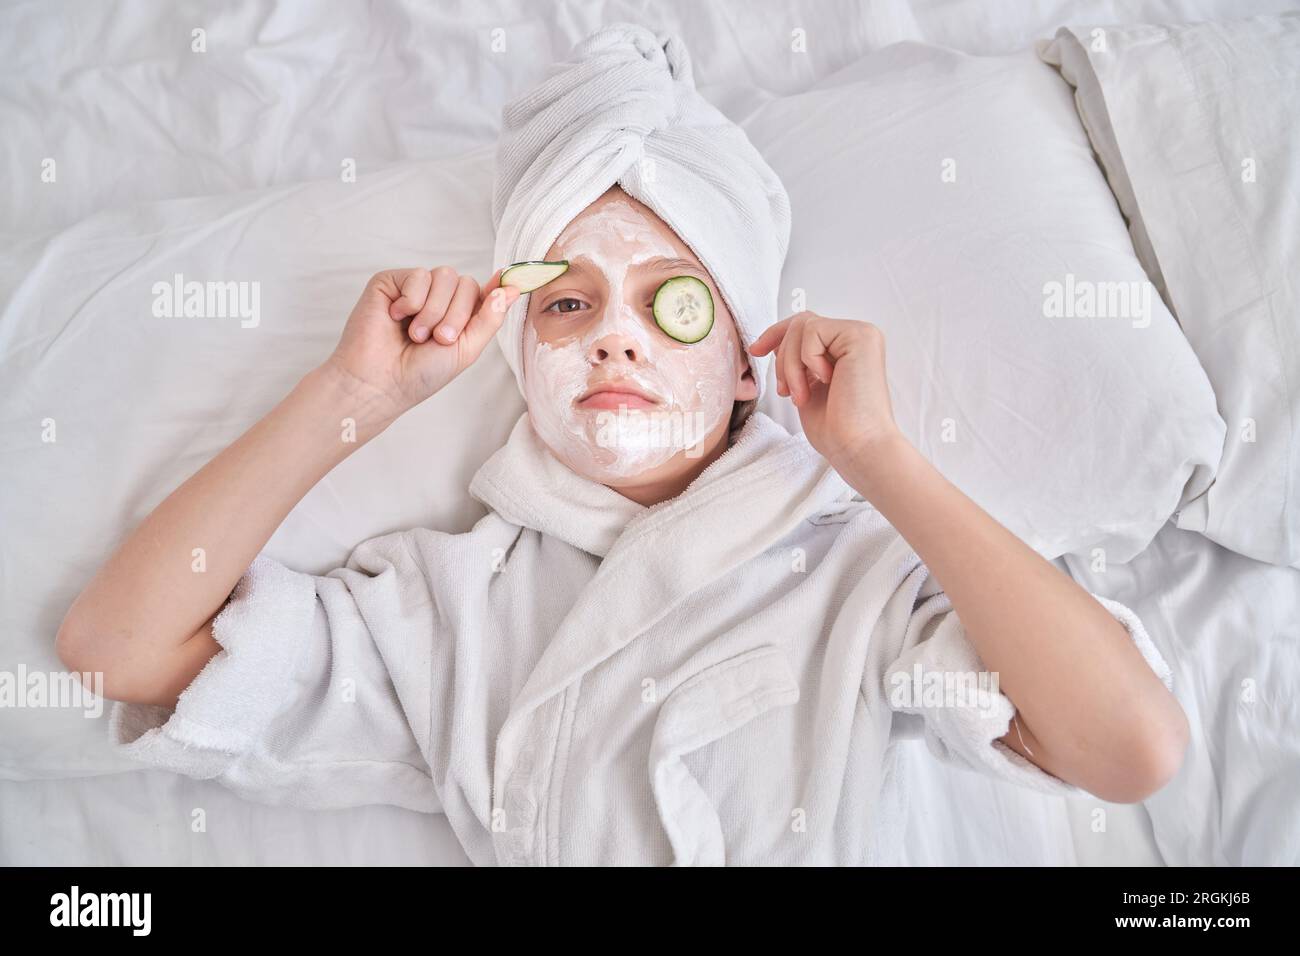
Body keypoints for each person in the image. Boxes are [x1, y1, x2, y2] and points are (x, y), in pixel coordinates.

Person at [55, 24, 1186, 866]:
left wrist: (881, 458)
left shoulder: (855, 573)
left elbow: (1131, 748)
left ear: (744, 357)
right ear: (519, 352)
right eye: (566, 303)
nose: (613, 340)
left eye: (673, 302)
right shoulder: (446, 607)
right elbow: (114, 643)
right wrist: (350, 394)